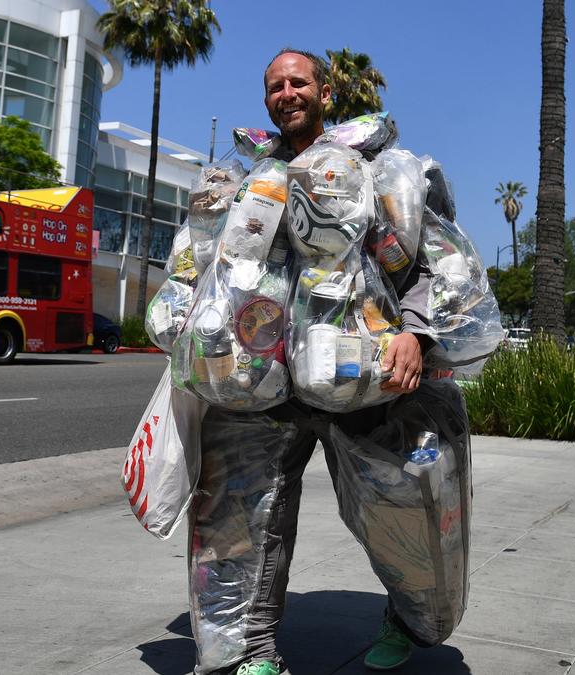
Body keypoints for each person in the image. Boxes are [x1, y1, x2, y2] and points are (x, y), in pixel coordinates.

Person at [183, 48, 431, 675]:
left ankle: (410, 618)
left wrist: (417, 335)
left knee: (395, 510)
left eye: (299, 83)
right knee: (244, 518)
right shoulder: (246, 177)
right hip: (263, 386)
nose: (287, 93)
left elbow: (436, 263)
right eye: (275, 86)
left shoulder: (373, 169)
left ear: (325, 92)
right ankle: (250, 652)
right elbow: (198, 265)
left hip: (363, 379)